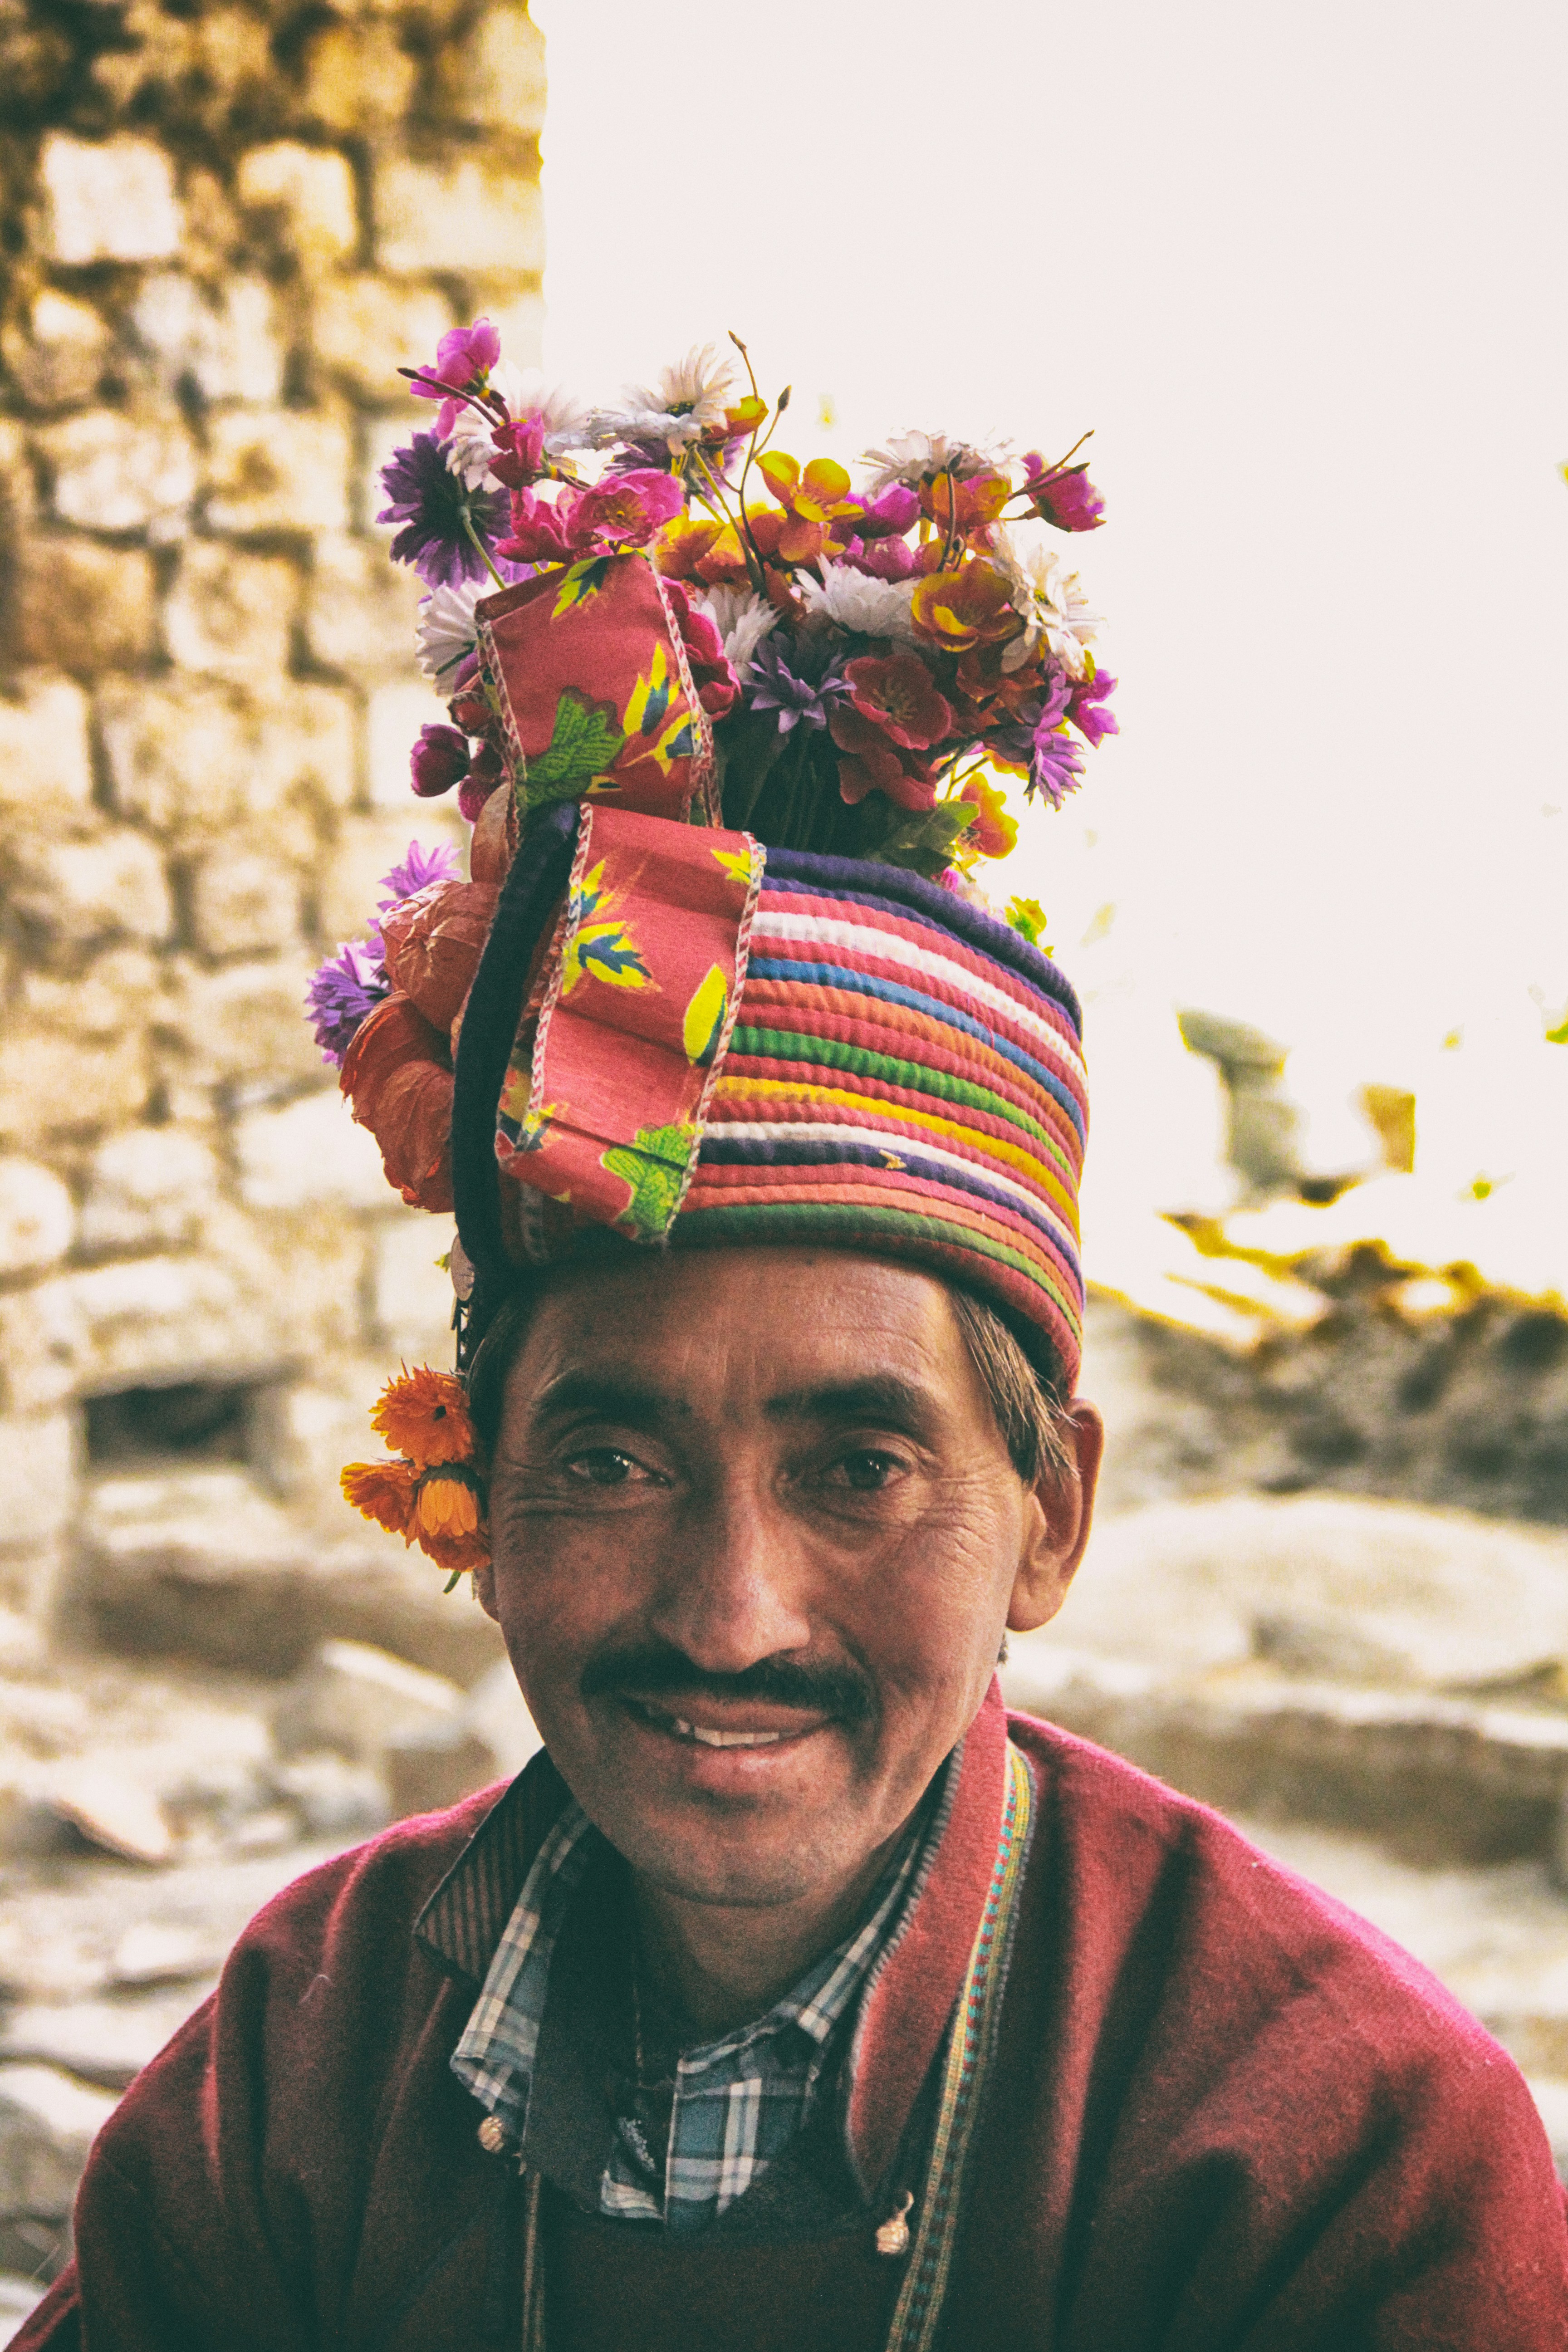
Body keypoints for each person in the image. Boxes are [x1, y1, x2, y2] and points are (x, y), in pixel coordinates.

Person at [19, 343, 1568, 2350]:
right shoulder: (298, 2067)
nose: (731, 1615)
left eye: (858, 1466)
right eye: (608, 1457)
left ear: (1049, 1518)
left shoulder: (1338, 2164)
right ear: (475, 1496)